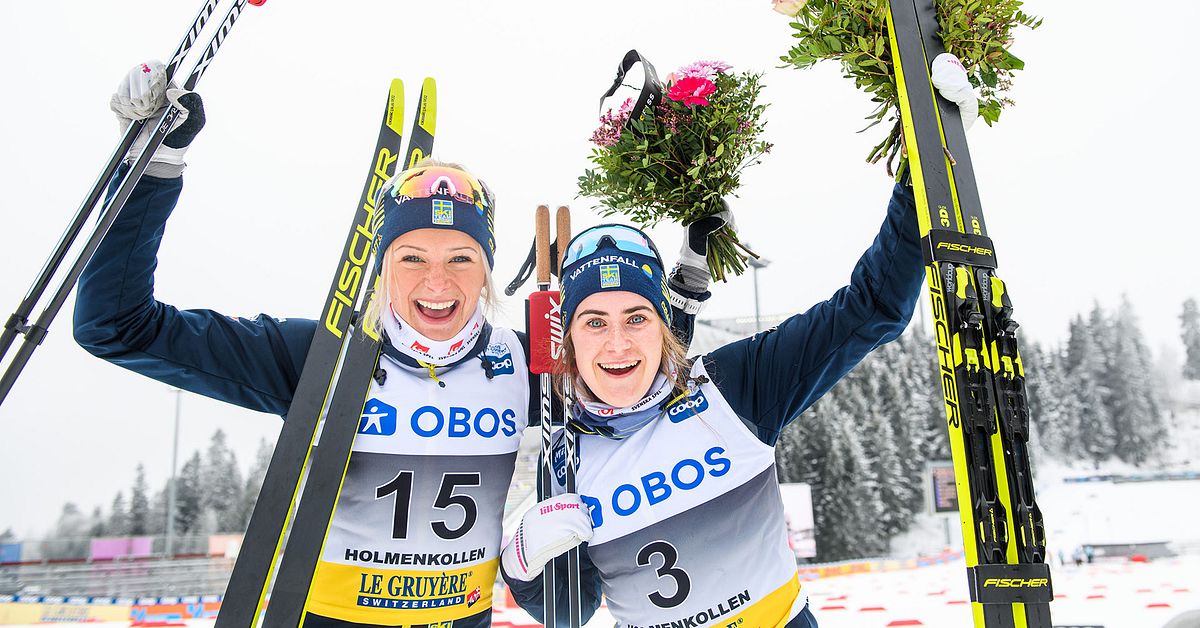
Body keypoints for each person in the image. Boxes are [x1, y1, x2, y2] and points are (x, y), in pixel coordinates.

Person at [72, 62, 713, 627]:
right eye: (412, 257)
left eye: (462, 257)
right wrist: (154, 168)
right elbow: (117, 327)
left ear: (488, 271)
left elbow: (637, 388)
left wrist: (679, 296)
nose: (437, 282)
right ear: (381, 268)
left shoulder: (526, 365)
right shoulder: (320, 358)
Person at [498, 57, 979, 628]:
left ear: (663, 327)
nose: (617, 344)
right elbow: (568, 610)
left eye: (636, 318)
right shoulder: (564, 454)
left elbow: (870, 310)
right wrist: (523, 559)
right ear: (569, 340)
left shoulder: (733, 389)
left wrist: (928, 163)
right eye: (594, 323)